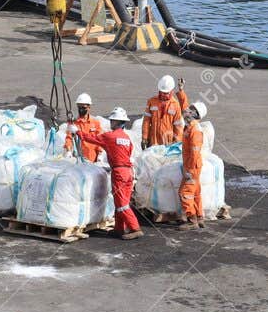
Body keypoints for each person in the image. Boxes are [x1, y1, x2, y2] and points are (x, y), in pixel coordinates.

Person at [73, 107, 140, 239]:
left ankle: (135, 228)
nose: (110, 122)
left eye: (112, 120)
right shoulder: (127, 138)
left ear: (117, 122)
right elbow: (127, 153)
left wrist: (77, 132)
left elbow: (91, 138)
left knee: (122, 204)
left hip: (119, 173)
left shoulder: (110, 136)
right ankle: (119, 229)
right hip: (128, 172)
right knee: (121, 202)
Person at [178, 101, 208, 228]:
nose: (187, 111)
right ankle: (199, 217)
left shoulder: (195, 130)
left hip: (192, 166)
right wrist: (180, 92)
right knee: (195, 191)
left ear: (196, 114)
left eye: (191, 110)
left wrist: (189, 170)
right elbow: (183, 106)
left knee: (185, 192)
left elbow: (195, 152)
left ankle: (191, 220)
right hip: (192, 165)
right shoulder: (189, 126)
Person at [142, 74, 189, 147]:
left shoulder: (175, 105)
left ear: (171, 91)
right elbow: (146, 120)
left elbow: (178, 126)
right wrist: (144, 137)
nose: (163, 95)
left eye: (166, 93)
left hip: (167, 144)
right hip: (153, 141)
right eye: (162, 92)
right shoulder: (151, 101)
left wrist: (177, 143)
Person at [65, 92, 104, 162]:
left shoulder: (95, 123)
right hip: (78, 160)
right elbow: (69, 138)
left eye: (83, 107)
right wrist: (68, 150)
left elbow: (100, 140)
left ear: (89, 107)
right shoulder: (73, 123)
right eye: (79, 107)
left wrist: (100, 153)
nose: (81, 109)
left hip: (93, 159)